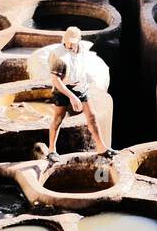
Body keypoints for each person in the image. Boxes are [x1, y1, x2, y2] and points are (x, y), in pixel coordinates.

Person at [28, 27, 111, 160]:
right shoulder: (60, 57)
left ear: (78, 40)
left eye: (72, 42)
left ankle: (102, 147)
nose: (69, 45)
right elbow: (56, 81)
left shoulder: (82, 50)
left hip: (79, 86)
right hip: (63, 89)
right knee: (58, 119)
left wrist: (82, 84)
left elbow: (81, 67)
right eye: (67, 42)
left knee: (92, 116)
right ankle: (52, 150)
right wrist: (72, 97)